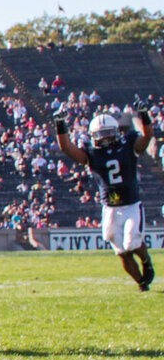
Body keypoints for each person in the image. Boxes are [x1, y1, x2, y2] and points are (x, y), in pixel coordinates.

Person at [56, 109, 154, 290]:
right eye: (101, 135)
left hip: (131, 204)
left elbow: (147, 137)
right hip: (110, 208)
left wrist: (144, 115)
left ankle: (146, 261)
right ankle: (141, 283)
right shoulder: (92, 153)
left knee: (131, 242)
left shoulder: (128, 144)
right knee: (121, 252)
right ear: (93, 136)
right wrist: (60, 125)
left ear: (116, 132)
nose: (105, 139)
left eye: (108, 133)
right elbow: (66, 148)